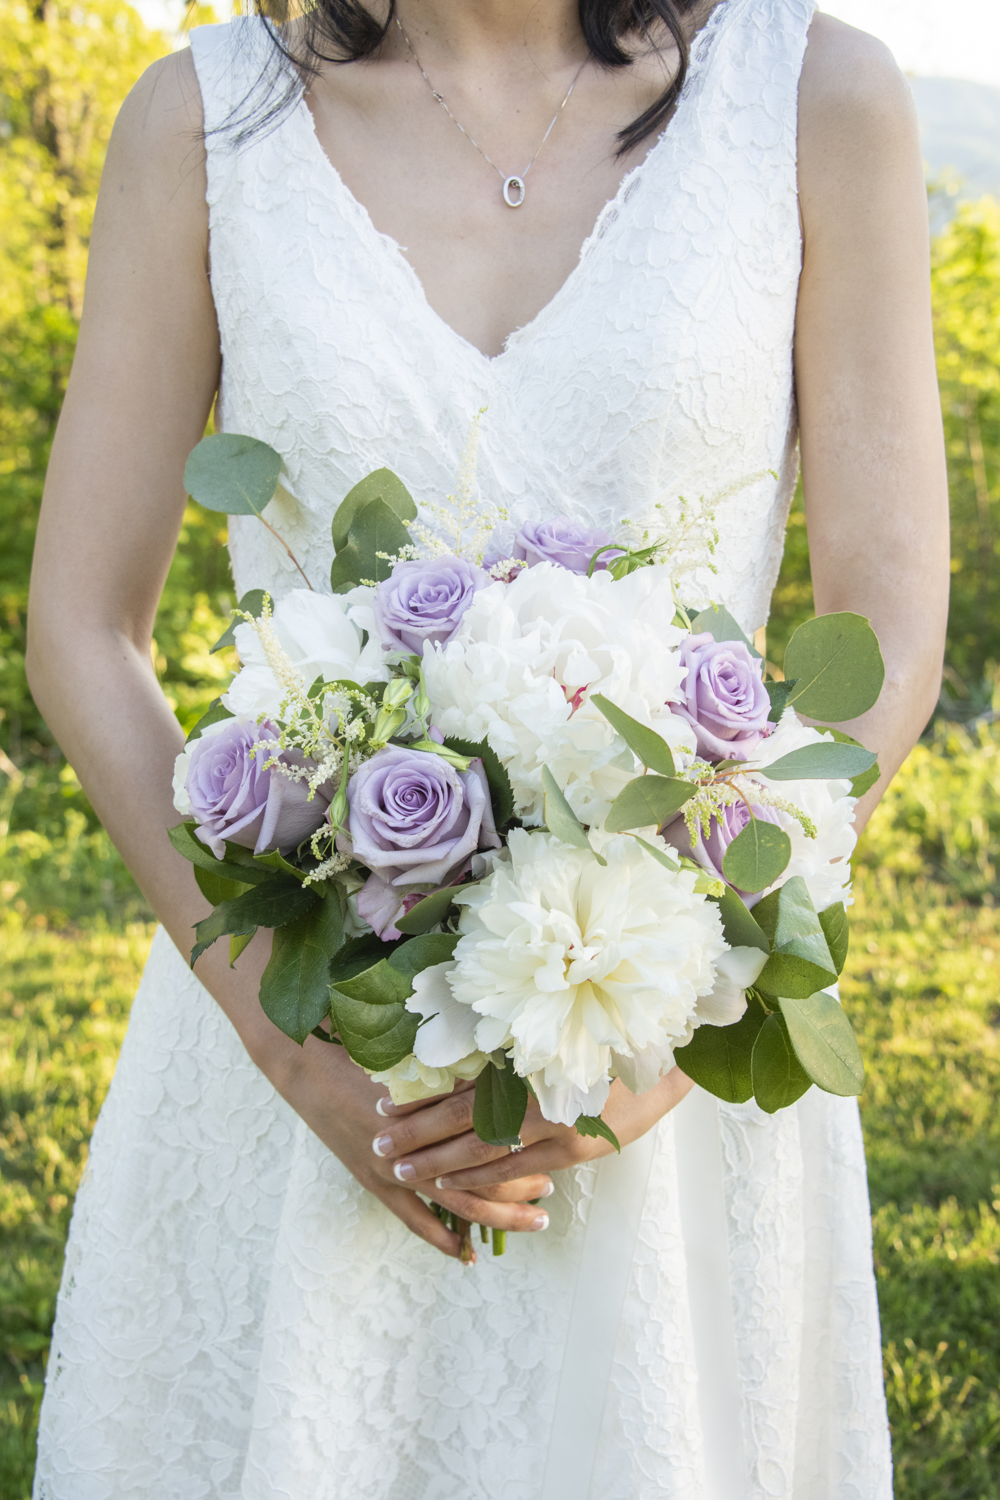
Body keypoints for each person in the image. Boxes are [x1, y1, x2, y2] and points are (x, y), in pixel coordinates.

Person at [27, 0, 949, 1495]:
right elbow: (79, 626)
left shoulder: (817, 97)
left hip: (669, 1065)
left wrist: (682, 1013)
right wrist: (286, 1042)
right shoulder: (200, 120)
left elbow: (885, 632)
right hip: (306, 1034)